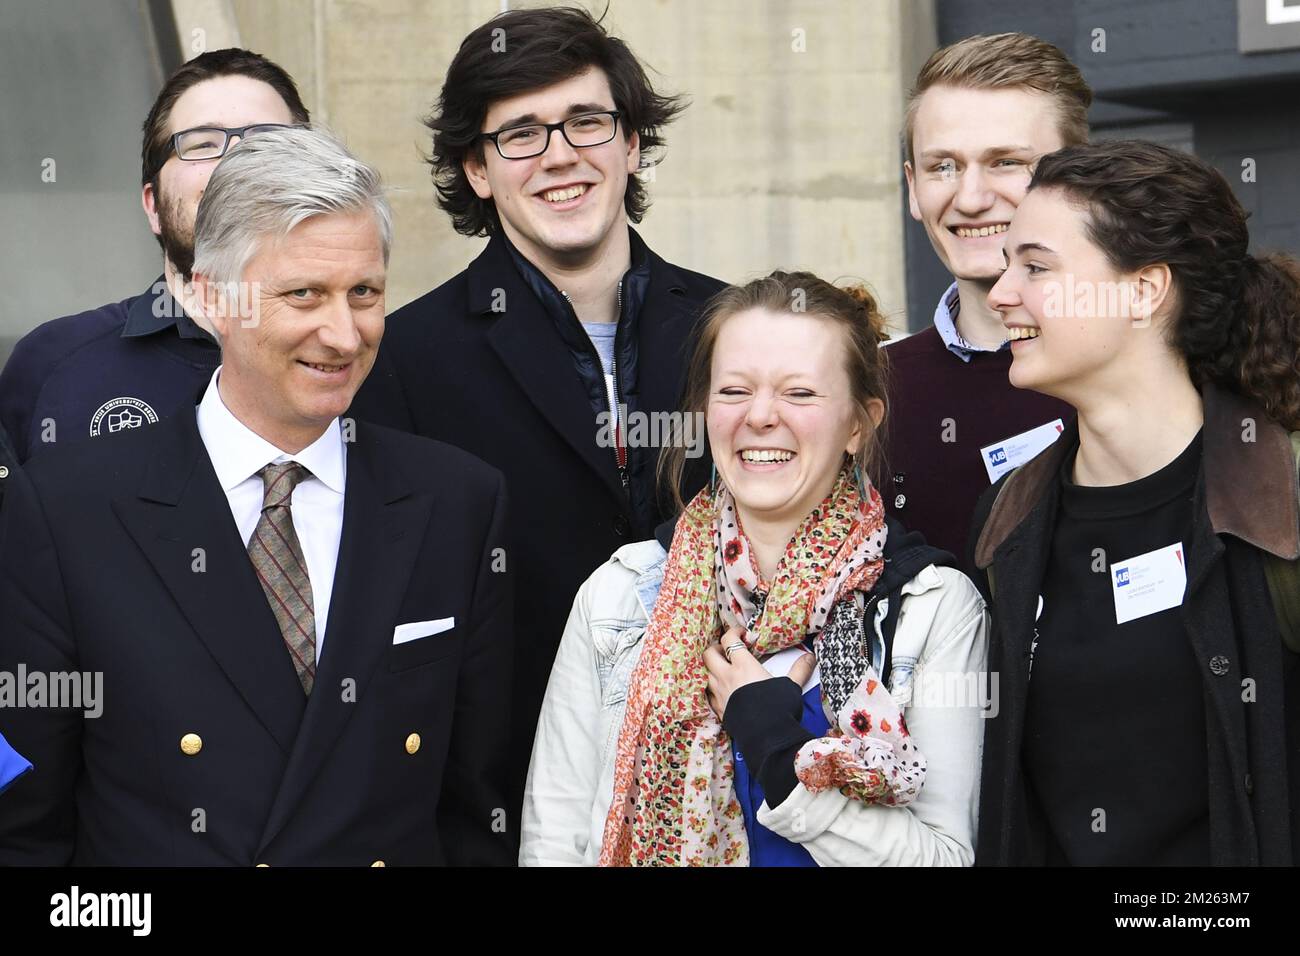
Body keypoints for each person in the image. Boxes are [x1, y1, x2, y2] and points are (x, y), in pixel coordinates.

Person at [0, 127, 514, 866]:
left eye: (364, 293)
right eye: (304, 294)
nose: (343, 334)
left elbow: (476, 812)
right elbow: (25, 829)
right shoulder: (67, 511)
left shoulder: (459, 502)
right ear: (210, 298)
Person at [350, 5, 724, 824]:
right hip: (510, 802)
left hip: (728, 787)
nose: (560, 156)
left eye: (586, 122)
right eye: (519, 134)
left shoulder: (737, 329)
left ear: (631, 142)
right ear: (478, 171)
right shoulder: (403, 362)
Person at [520, 272, 989, 866]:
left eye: (799, 393)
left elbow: (947, 861)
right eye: (735, 391)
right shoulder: (619, 598)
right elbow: (553, 845)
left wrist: (777, 751)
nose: (761, 416)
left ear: (858, 423)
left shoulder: (934, 608)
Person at [972, 140, 1300, 866]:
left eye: (1036, 266)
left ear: (1145, 290)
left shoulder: (1281, 503)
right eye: (1005, 266)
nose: (1000, 294)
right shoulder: (1008, 521)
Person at [0, 48, 309, 463]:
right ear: (153, 206)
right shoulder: (53, 364)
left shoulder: (371, 368)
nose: (237, 161)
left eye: (266, 141)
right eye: (202, 143)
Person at [883, 33, 1083, 559]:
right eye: (942, 166)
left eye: (1006, 162)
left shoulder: (1154, 367)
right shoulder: (864, 391)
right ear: (913, 188)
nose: (970, 199)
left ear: (1081, 177)